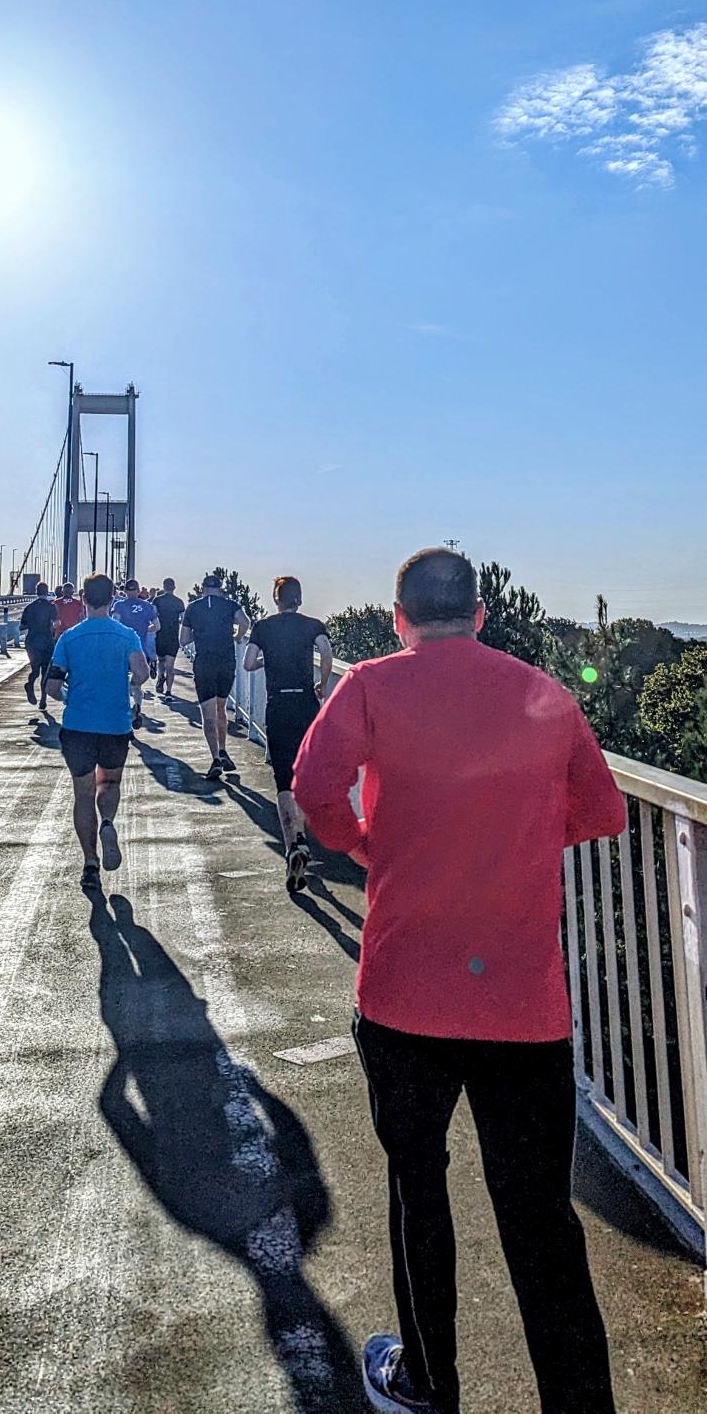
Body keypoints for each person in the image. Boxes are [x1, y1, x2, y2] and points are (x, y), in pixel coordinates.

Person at [293, 546, 625, 1414]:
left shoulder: (369, 685)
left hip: (403, 997)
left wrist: (367, 843)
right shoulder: (542, 693)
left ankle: (429, 1384)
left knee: (419, 1190)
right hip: (524, 1008)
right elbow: (603, 810)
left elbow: (314, 786)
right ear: (480, 614)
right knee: (541, 1219)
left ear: (398, 618)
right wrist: (514, 838)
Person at [57, 572, 149, 892]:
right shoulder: (126, 636)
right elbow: (142, 673)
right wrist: (129, 685)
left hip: (78, 725)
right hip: (115, 724)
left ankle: (90, 862)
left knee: (83, 793)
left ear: (83, 598)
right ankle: (107, 822)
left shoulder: (69, 638)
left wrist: (70, 695)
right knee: (108, 784)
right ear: (112, 600)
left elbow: (53, 685)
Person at [245, 576, 332, 892]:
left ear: (276, 599)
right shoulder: (313, 625)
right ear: (300, 598)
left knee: (283, 778)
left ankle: (293, 843)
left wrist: (269, 659)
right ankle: (303, 836)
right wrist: (322, 684)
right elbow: (326, 652)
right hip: (306, 703)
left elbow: (248, 662)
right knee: (304, 773)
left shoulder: (263, 627)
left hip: (278, 704)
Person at [180, 573, 249, 781]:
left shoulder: (193, 608)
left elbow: (183, 639)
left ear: (203, 589)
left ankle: (215, 758)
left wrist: (199, 634)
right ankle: (223, 749)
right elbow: (245, 622)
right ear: (220, 589)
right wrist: (237, 636)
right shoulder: (230, 605)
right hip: (226, 662)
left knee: (208, 715)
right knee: (221, 707)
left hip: (205, 664)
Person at [111, 580, 159, 729]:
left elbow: (115, 624)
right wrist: (145, 630)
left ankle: (124, 711)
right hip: (140, 649)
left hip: (122, 649)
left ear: (125, 591)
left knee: (120, 682)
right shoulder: (148, 606)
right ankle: (137, 705)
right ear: (138, 591)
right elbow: (157, 626)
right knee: (136, 684)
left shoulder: (119, 605)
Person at [46, 580, 85, 703]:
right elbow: (81, 620)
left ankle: (60, 687)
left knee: (58, 664)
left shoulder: (55, 603)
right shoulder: (78, 604)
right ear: (73, 592)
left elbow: (52, 622)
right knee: (75, 663)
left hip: (59, 637)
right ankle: (71, 683)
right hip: (75, 638)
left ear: (62, 591)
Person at [19, 580, 56, 704]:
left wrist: (33, 624)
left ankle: (30, 685)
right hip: (47, 641)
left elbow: (21, 627)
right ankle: (43, 700)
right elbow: (56, 623)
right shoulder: (51, 607)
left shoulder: (29, 607)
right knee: (45, 671)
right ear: (47, 592)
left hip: (32, 642)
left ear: (36, 592)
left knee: (35, 670)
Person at [153, 578, 186, 698]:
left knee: (161, 661)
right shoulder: (179, 602)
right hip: (172, 637)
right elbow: (184, 620)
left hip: (160, 635)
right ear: (174, 587)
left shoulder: (157, 600)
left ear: (164, 587)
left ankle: (160, 676)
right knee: (170, 666)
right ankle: (168, 691)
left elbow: (153, 616)